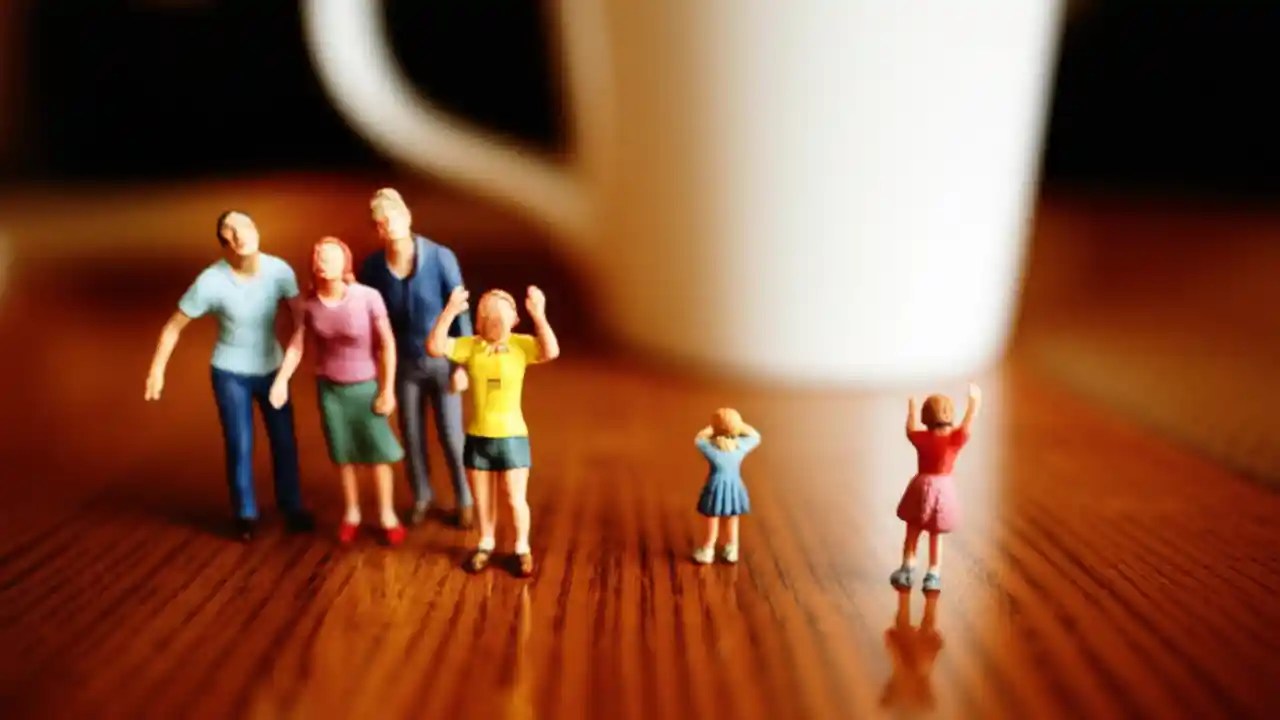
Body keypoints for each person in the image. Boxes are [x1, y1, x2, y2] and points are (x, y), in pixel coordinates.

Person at [144, 210, 314, 541]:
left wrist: (301, 359)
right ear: (225, 244)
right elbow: (174, 326)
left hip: (273, 369)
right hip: (230, 373)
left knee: (284, 441)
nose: (241, 235)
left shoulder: (279, 271)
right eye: (230, 232)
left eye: (246, 226)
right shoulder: (210, 281)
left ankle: (292, 506)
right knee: (239, 443)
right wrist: (157, 369)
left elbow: (302, 319)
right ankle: (245, 513)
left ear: (257, 230)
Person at [271, 237, 406, 545]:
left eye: (330, 256)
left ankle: (387, 514)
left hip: (366, 386)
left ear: (344, 262)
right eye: (318, 256)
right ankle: (352, 513)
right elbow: (298, 343)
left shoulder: (368, 297)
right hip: (331, 390)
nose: (323, 261)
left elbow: (387, 343)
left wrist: (387, 389)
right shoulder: (310, 304)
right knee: (343, 454)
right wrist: (281, 379)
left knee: (378, 453)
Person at [357, 188, 474, 528]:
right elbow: (369, 313)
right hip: (404, 365)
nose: (388, 226)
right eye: (380, 223)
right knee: (411, 434)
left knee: (452, 435)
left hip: (443, 361)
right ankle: (422, 495)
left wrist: (462, 362)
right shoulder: (374, 267)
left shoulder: (440, 258)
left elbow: (460, 308)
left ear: (407, 217)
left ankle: (464, 498)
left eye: (393, 218)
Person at [426, 285, 560, 577]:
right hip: (478, 437)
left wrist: (539, 315)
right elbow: (435, 347)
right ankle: (485, 542)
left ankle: (521, 547)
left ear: (513, 320)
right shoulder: (470, 346)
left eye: (500, 312)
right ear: (477, 320)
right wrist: (449, 311)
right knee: (482, 498)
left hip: (512, 436)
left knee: (514, 496)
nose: (493, 318)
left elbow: (551, 350)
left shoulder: (521, 346)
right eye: (486, 311)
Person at [890, 382, 982, 592]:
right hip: (943, 489)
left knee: (912, 529)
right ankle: (933, 572)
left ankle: (907, 568)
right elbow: (968, 423)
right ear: (950, 415)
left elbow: (910, 429)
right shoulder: (953, 440)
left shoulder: (922, 438)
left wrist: (911, 407)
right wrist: (974, 402)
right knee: (935, 533)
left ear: (926, 416)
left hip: (920, 486)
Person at [692, 409, 762, 564]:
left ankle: (708, 549)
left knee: (713, 517)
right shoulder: (740, 447)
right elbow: (756, 436)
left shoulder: (711, 448)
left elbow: (698, 439)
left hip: (716, 486)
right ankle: (732, 549)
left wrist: (712, 428)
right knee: (732, 516)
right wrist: (739, 426)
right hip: (734, 485)